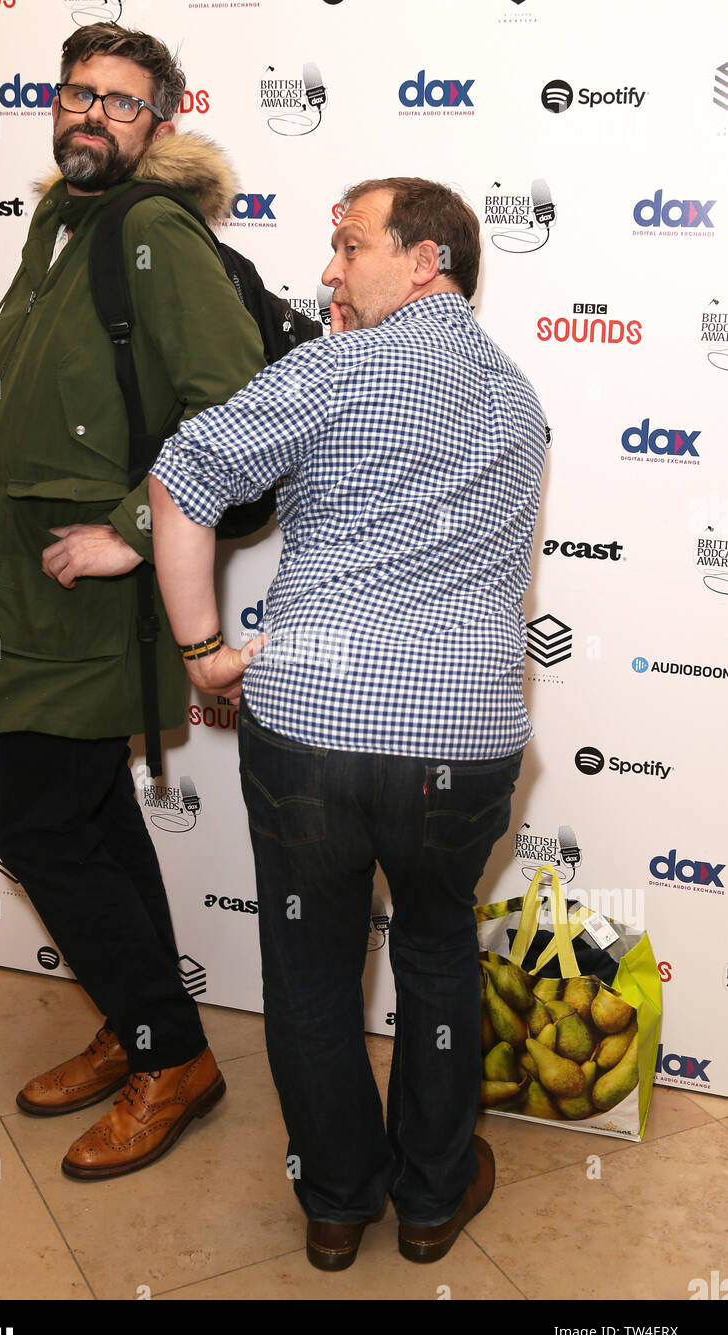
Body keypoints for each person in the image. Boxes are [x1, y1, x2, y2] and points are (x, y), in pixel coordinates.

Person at [148, 178, 547, 1267]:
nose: (326, 271)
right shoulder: (517, 399)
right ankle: (427, 1200)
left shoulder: (335, 366)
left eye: (346, 246)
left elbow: (179, 482)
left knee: (311, 967)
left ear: (424, 261)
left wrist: (202, 653)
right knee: (432, 953)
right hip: (461, 741)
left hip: (313, 728)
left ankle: (333, 1205)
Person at [0, 22, 268, 1181]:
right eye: (79, 94)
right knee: (93, 822)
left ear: (158, 121)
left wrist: (134, 533)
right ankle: (139, 1026)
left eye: (122, 103)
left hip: (81, 599)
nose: (94, 116)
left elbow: (232, 416)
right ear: (56, 103)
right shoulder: (57, 223)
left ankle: (172, 1057)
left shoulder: (153, 232)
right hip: (19, 581)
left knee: (38, 828)